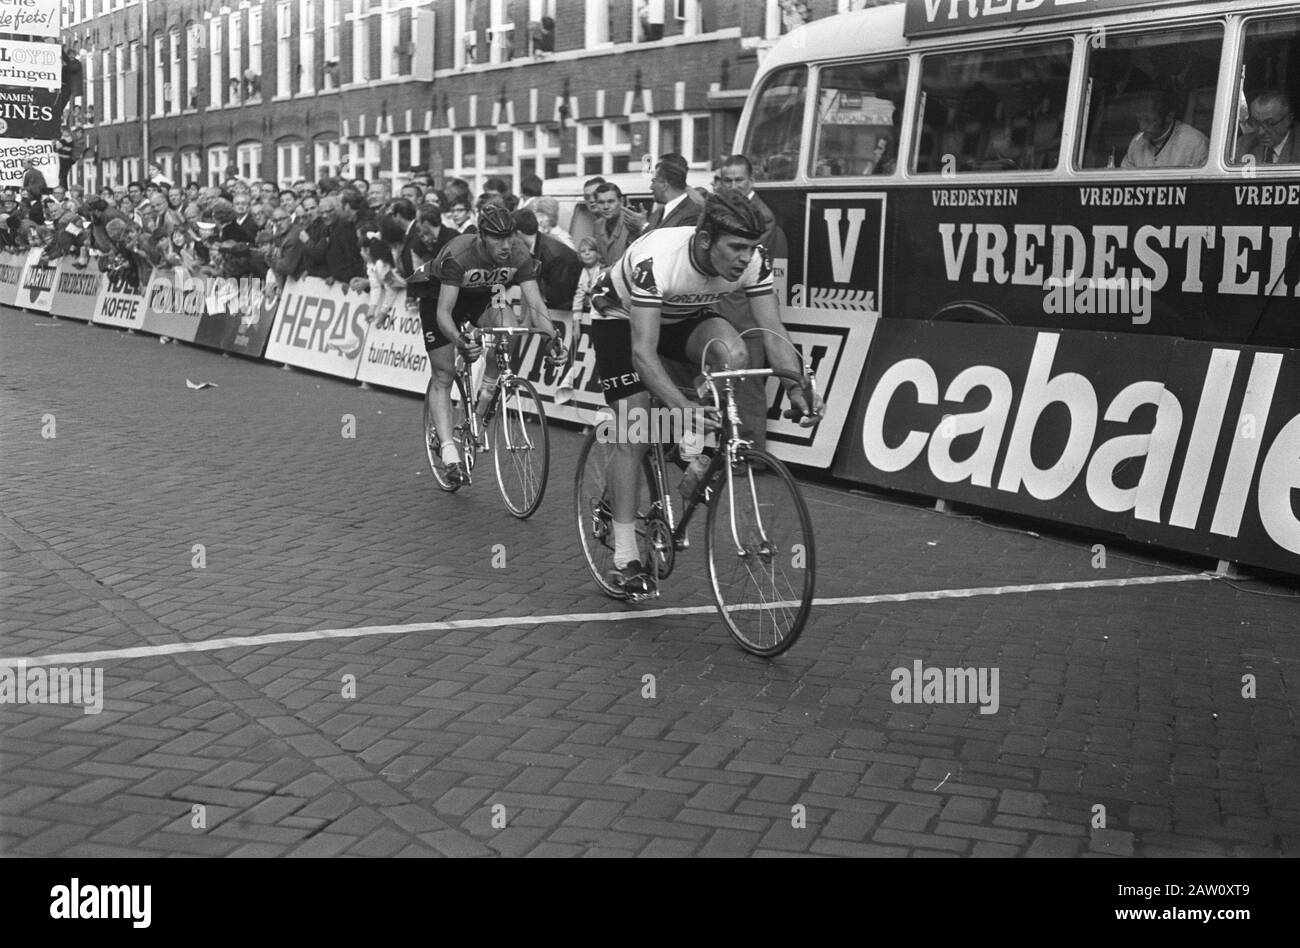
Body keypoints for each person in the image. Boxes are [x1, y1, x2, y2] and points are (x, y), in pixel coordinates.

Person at [587, 191, 821, 597]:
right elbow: (643, 354)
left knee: (733, 352)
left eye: (751, 248)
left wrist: (794, 384)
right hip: (621, 318)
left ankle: (692, 447)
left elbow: (772, 331)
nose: (745, 258)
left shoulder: (753, 262)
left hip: (682, 313)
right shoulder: (657, 258)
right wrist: (683, 408)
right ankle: (626, 558)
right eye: (736, 247)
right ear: (705, 239)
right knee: (634, 429)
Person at [406, 204, 562, 485]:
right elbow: (444, 313)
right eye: (497, 239)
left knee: (510, 328)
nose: (505, 246)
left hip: (483, 296)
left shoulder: (518, 253)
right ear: (481, 236)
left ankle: (485, 398)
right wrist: (460, 341)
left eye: (510, 237)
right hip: (440, 298)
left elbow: (537, 304)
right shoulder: (459, 254)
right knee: (444, 373)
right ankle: (449, 450)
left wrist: (551, 338)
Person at [1121, 88, 1208, 169]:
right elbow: (1124, 177)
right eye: (1139, 120)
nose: (1142, 127)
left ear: (1169, 117)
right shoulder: (1137, 142)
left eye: (1149, 121)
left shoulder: (1195, 144)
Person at [1234, 90, 1300, 165]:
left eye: (1270, 123)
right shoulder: (1243, 145)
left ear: (1288, 119)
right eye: (1256, 123)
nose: (1261, 132)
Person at [645, 154, 701, 231]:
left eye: (653, 182)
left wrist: (643, 226)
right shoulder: (656, 215)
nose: (651, 187)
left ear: (664, 184)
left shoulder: (693, 213)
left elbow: (670, 241)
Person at [593, 181, 642, 268]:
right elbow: (601, 260)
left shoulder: (632, 221)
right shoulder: (598, 225)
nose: (606, 207)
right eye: (601, 202)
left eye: (611, 201)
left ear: (621, 201)